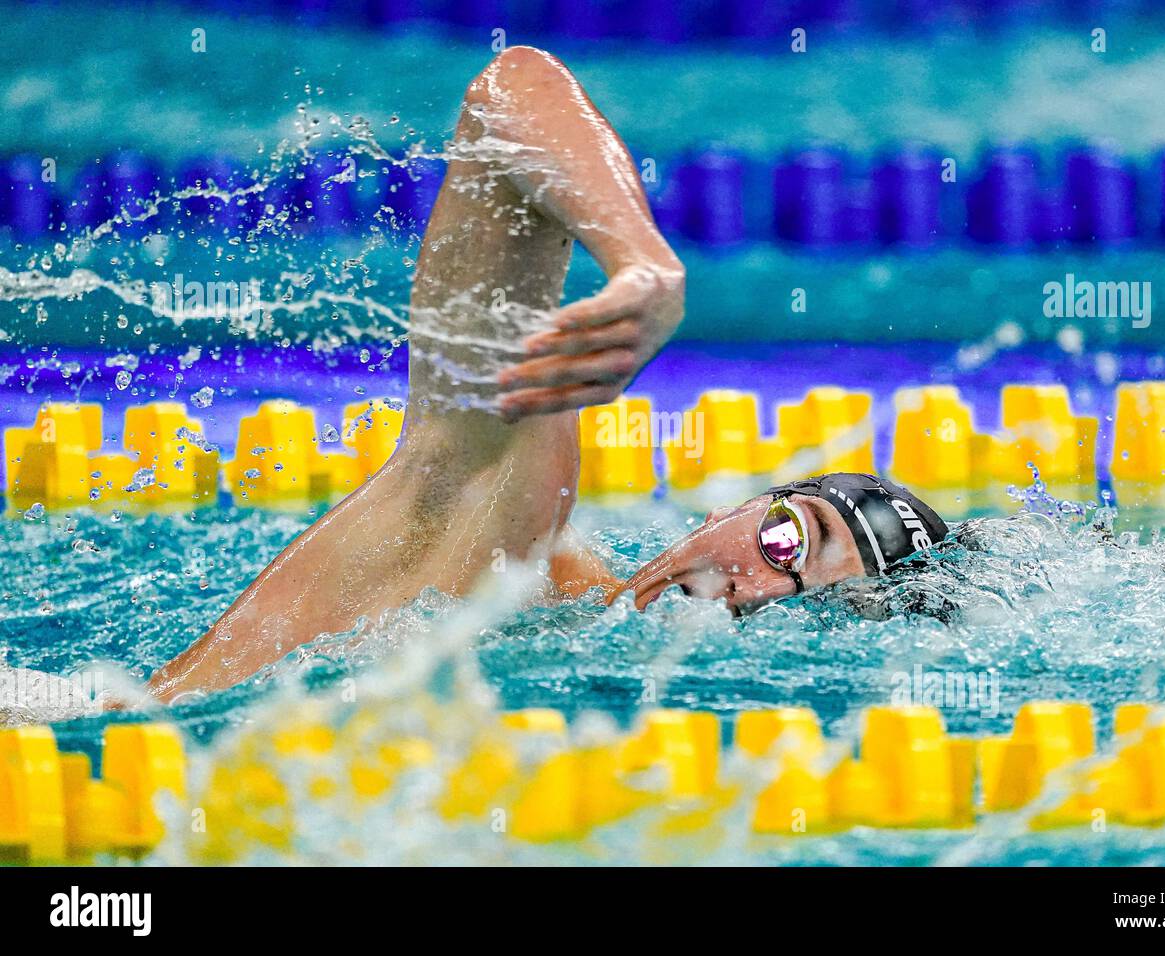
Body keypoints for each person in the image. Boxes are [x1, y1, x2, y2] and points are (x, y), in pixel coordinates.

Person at [144, 47, 947, 705]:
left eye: (808, 604)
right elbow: (510, 90)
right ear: (743, 507)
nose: (755, 592)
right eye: (787, 541)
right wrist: (644, 265)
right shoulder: (512, 541)